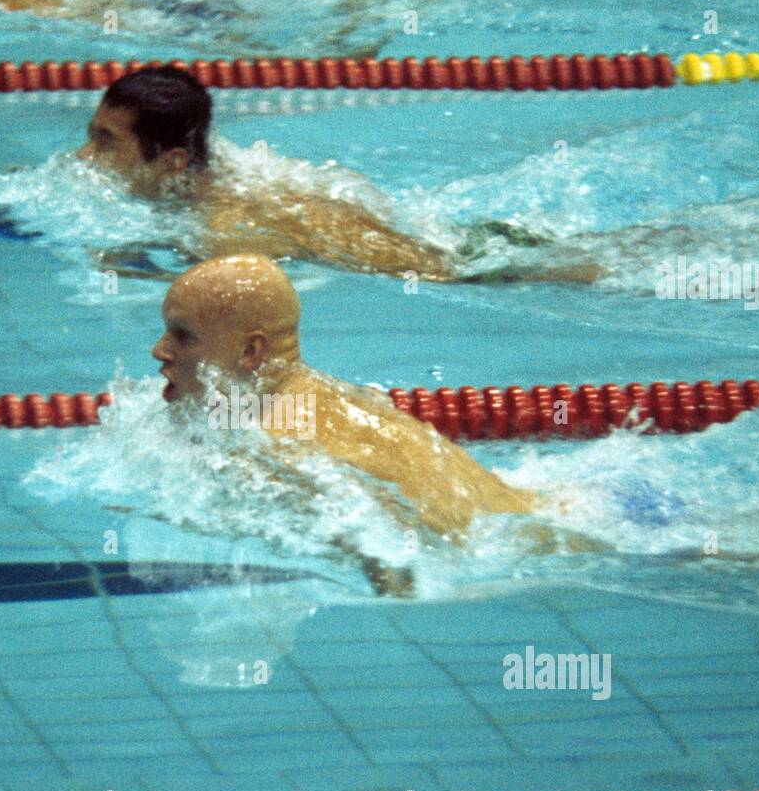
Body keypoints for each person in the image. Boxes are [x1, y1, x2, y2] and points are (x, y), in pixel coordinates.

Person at [152, 254, 538, 594]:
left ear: (250, 351)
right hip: (530, 513)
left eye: (183, 335)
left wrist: (397, 608)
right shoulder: (315, 396)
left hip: (527, 553)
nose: (160, 350)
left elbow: (392, 542)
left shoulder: (283, 444)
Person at [80, 66, 603, 284]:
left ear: (172, 160)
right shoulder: (224, 176)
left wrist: (135, 268)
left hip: (468, 273)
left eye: (105, 141)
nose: (85, 156)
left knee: (585, 270)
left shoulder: (223, 230)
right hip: (457, 244)